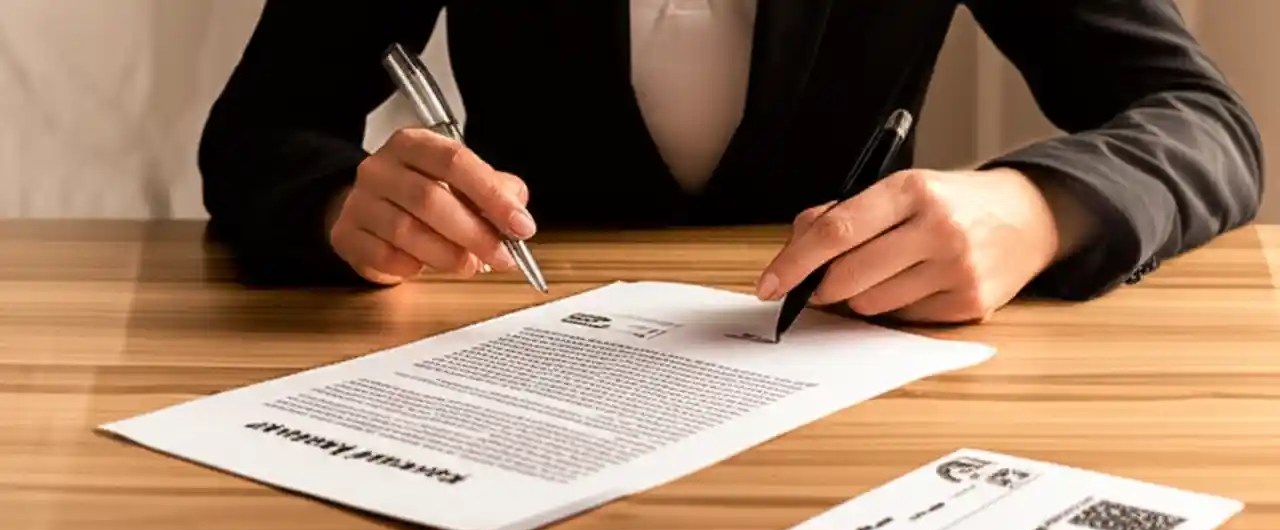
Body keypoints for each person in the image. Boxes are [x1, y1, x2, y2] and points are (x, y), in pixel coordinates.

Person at [199, 1, 1263, 323]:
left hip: (856, 379)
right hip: (508, 354)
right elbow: (258, 134)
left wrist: (1034, 209)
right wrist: (345, 202)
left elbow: (1201, 120)